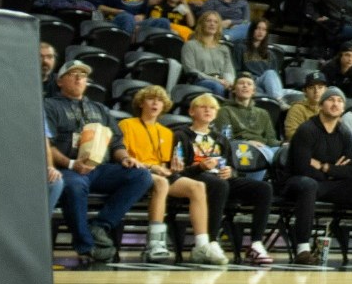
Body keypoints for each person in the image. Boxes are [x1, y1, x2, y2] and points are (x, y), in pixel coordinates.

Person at [45, 61, 155, 265]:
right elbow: (47, 144)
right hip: (68, 168)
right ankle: (87, 246)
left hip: (99, 169)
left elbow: (116, 143)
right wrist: (71, 164)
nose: (79, 78)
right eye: (73, 74)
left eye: (83, 75)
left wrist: (125, 158)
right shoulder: (49, 106)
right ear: (60, 81)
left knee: (142, 175)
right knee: (74, 186)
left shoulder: (100, 109)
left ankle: (100, 226)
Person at [118, 85, 226, 264]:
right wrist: (152, 167)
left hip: (160, 173)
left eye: (160, 100)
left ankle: (201, 245)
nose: (155, 103)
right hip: (136, 171)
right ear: (141, 103)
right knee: (161, 183)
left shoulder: (167, 133)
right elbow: (124, 156)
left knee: (198, 186)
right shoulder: (127, 125)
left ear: (164, 106)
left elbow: (166, 163)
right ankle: (155, 243)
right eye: (150, 99)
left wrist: (175, 168)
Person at [284, 87, 352, 267]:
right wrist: (334, 171)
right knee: (309, 184)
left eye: (340, 101)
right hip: (298, 183)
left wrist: (324, 166)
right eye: (331, 100)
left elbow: (349, 171)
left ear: (343, 108)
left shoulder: (344, 133)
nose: (335, 104)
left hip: (327, 184)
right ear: (321, 105)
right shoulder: (307, 129)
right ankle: (302, 249)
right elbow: (302, 168)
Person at [176, 93, 274, 265]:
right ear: (191, 112)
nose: (208, 110)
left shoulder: (220, 138)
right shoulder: (181, 135)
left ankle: (256, 243)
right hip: (194, 178)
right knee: (219, 185)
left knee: (263, 188)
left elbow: (231, 167)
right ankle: (211, 242)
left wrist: (231, 172)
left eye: (212, 108)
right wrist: (200, 167)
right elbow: (178, 171)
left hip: (220, 179)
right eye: (203, 107)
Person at [179, 11, 236, 97]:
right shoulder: (190, 45)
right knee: (216, 86)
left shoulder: (224, 48)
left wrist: (230, 83)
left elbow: (229, 71)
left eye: (216, 22)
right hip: (200, 81)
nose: (212, 24)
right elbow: (190, 70)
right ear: (201, 24)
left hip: (221, 82)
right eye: (208, 21)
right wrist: (216, 80)